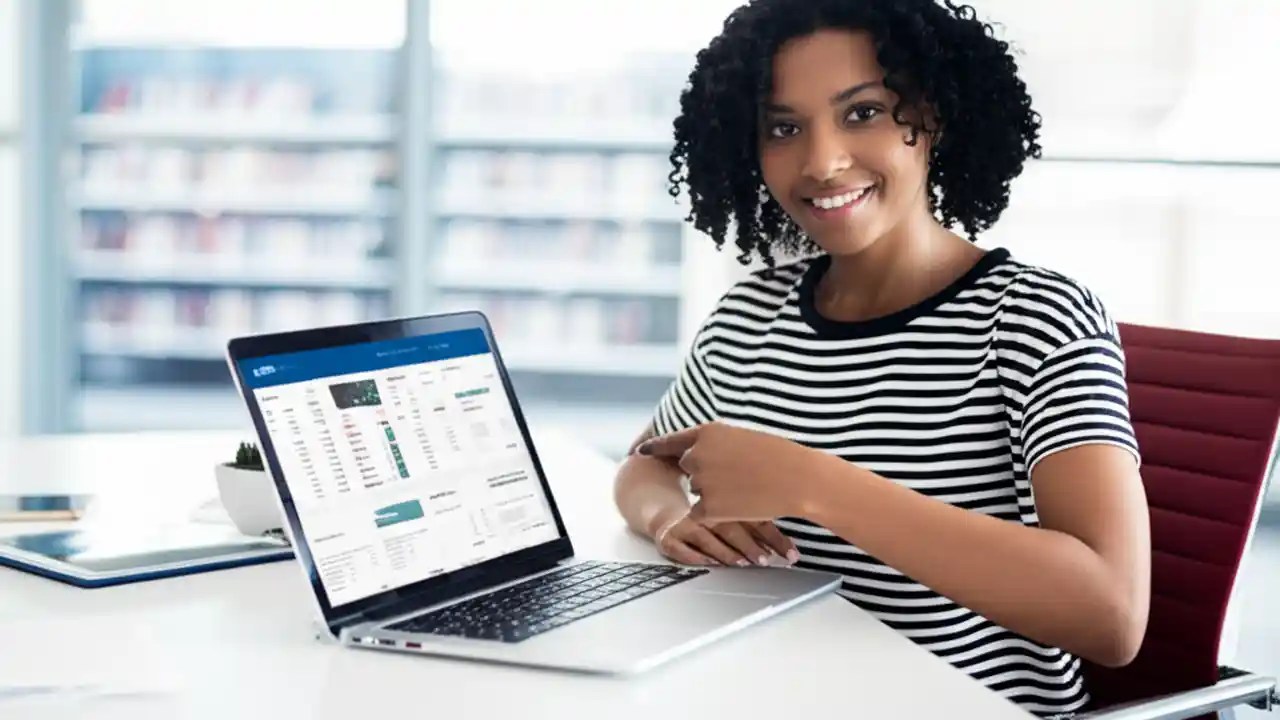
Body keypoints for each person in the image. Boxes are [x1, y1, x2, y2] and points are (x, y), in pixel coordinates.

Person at [612, 1, 1150, 717]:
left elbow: (1111, 615)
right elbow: (646, 463)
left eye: (861, 113)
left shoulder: (1032, 319)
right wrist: (667, 522)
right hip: (770, 693)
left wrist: (815, 485)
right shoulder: (750, 313)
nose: (822, 161)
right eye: (784, 127)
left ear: (932, 116)